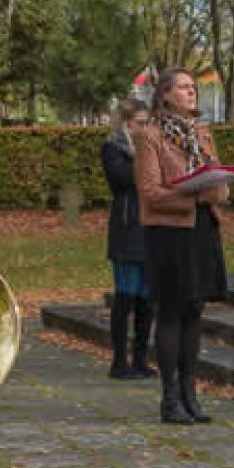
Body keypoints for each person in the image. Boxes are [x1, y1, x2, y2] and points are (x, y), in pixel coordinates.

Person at [133, 68, 230, 426]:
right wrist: (193, 193)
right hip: (170, 232)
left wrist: (218, 187)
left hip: (203, 228)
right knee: (172, 311)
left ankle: (191, 394)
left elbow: (218, 184)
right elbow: (150, 192)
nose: (192, 92)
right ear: (165, 94)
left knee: (195, 310)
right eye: (184, 87)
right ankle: (170, 397)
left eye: (194, 87)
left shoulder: (202, 134)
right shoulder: (150, 136)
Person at [100, 98, 155, 379]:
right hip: (127, 227)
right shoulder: (113, 149)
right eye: (139, 124)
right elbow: (124, 180)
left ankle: (141, 358)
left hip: (150, 227)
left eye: (148, 123)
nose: (145, 129)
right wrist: (145, 156)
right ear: (125, 125)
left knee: (147, 298)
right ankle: (120, 360)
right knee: (126, 294)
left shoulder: (150, 149)